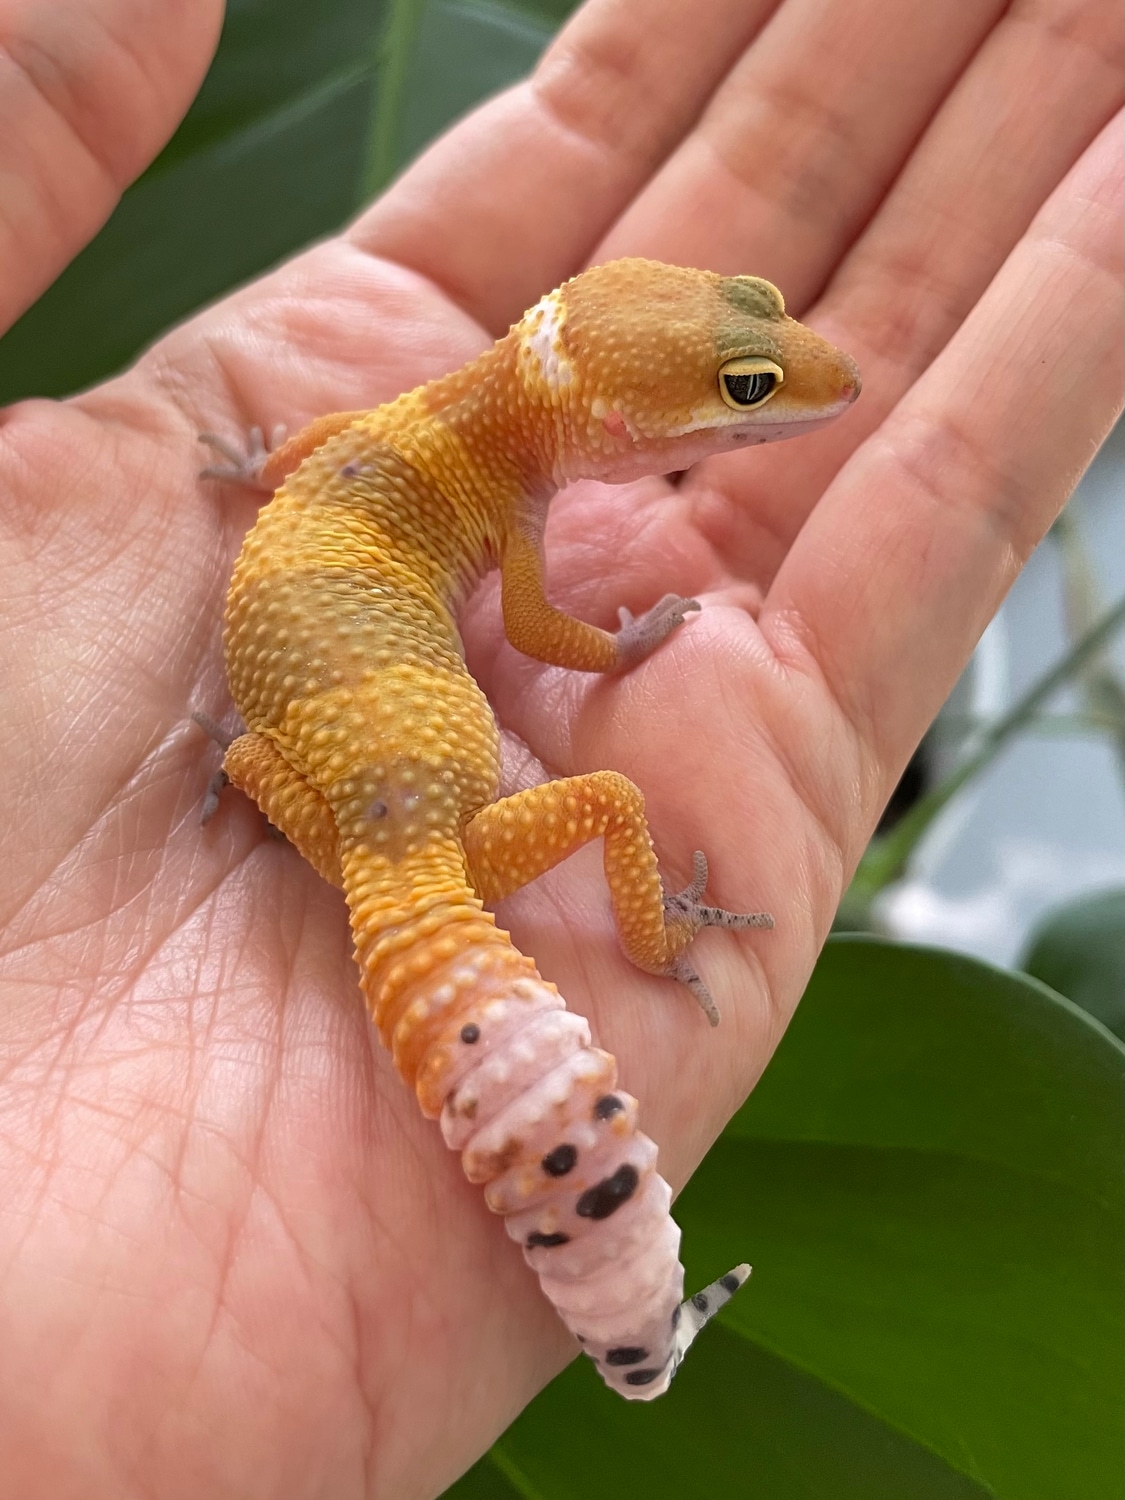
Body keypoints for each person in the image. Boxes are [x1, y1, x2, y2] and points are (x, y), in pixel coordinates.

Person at [0, 1, 1120, 1495]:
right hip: (400, 827)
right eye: (739, 397)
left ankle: (263, 777)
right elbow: (543, 639)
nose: (791, 389)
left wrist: (241, 483)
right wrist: (639, 642)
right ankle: (655, 997)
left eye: (749, 343)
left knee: (475, 785)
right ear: (596, 411)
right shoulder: (504, 489)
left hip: (325, 792)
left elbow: (305, 459)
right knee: (596, 792)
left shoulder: (413, 429)